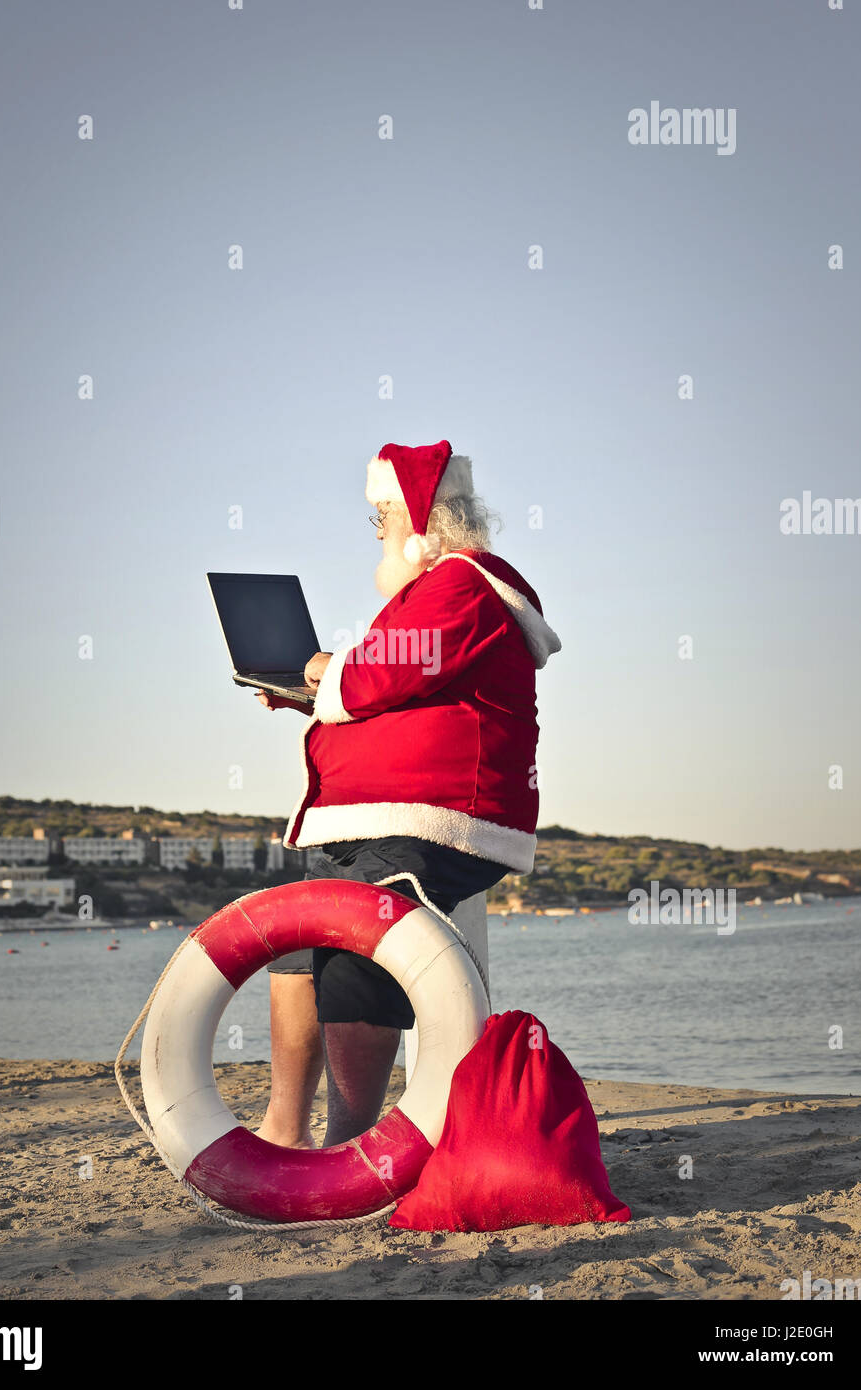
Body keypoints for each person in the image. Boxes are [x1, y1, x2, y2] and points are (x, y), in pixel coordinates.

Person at [254, 439, 561, 1148]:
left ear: (420, 520)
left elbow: (388, 674)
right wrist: (312, 697)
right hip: (364, 819)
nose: (378, 533)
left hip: (437, 820)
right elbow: (404, 698)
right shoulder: (432, 593)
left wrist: (325, 668)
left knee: (358, 949)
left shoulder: (465, 582)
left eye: (382, 516)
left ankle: (348, 1142)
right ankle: (283, 1131)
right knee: (298, 949)